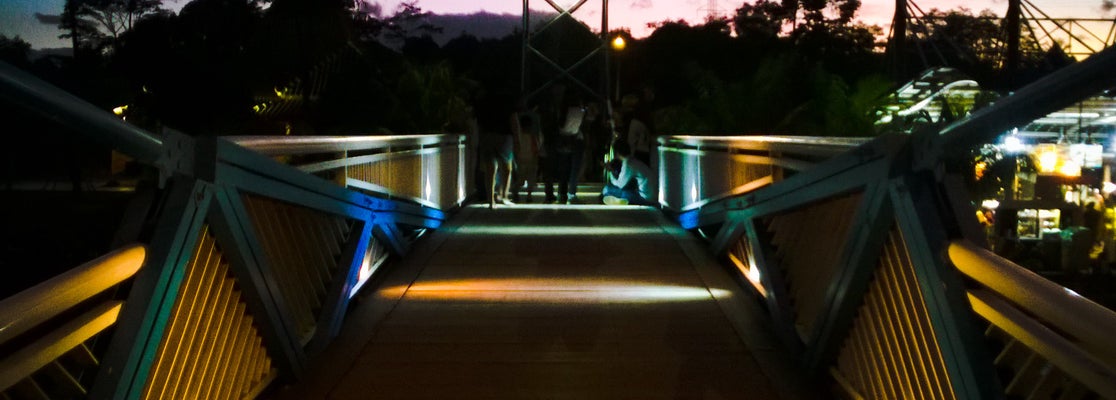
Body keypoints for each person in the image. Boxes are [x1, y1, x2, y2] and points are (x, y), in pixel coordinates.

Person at [475, 90, 521, 208]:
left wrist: (479, 141)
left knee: (490, 169)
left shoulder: (483, 102)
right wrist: (517, 140)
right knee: (507, 168)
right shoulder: (508, 102)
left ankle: (491, 200)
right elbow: (514, 121)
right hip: (505, 137)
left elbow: (479, 124)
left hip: (488, 136)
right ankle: (504, 196)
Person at [602, 140, 655, 206]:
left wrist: (610, 172)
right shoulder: (633, 161)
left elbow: (620, 185)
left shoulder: (628, 164)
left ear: (617, 152)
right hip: (649, 195)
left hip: (644, 198)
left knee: (607, 189)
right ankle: (623, 200)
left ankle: (624, 201)